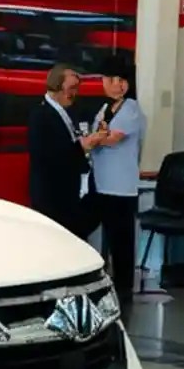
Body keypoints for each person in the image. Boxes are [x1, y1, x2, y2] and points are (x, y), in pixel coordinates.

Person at [88, 56, 145, 304]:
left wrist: (95, 137)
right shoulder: (104, 108)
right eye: (112, 79)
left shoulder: (130, 108)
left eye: (122, 80)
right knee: (105, 238)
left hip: (121, 188)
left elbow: (111, 138)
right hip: (101, 184)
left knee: (122, 242)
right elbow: (97, 136)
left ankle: (123, 290)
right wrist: (96, 137)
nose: (117, 85)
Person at [26, 63, 105, 238]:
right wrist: (81, 146)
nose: (74, 93)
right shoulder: (40, 115)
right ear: (56, 87)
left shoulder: (70, 112)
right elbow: (46, 155)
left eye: (77, 88)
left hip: (69, 192)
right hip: (51, 195)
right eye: (71, 88)